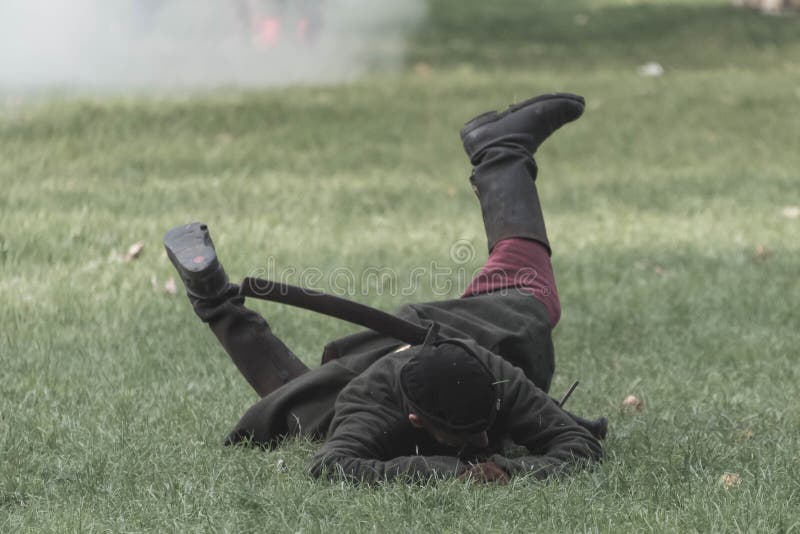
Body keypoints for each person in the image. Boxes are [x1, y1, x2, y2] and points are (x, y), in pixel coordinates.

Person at [164, 93, 606, 484]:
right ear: (414, 419)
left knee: (528, 301)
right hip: (373, 380)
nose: (486, 438)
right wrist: (453, 471)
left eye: (483, 424)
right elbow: (333, 466)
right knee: (306, 408)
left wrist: (507, 469)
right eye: (469, 435)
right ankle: (501, 150)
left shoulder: (495, 375)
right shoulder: (371, 408)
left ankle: (501, 150)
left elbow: (578, 447)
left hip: (440, 335)